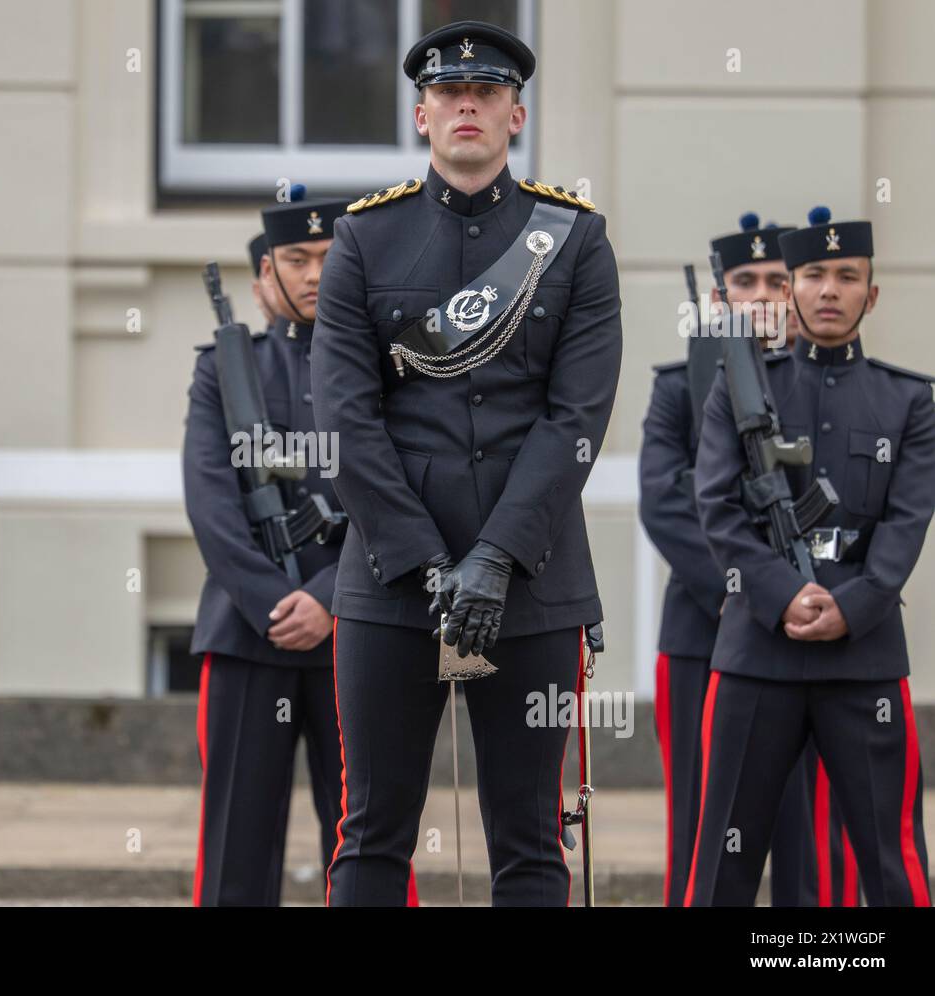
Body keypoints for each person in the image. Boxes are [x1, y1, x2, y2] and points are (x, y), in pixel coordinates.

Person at [311, 20, 622, 906]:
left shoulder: (575, 239)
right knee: (372, 835)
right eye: (450, 95)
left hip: (533, 576)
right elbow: (345, 418)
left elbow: (576, 418)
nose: (468, 107)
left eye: (486, 94)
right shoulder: (366, 240)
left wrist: (493, 558)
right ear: (422, 115)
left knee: (528, 841)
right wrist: (428, 559)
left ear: (515, 113)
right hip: (389, 577)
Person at [689, 207, 933, 906]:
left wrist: (851, 605)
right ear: (791, 288)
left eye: (848, 276)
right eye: (815, 275)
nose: (830, 290)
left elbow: (906, 522)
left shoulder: (908, 401)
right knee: (722, 865)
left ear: (872, 294)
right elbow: (717, 506)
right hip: (756, 653)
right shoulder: (741, 388)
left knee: (892, 860)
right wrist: (781, 594)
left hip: (864, 658)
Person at [641, 212, 857, 905]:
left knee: (811, 839)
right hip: (706, 635)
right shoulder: (679, 388)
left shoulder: (834, 388)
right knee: (703, 831)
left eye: (776, 280)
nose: (762, 295)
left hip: (813, 637)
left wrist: (804, 603)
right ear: (717, 298)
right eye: (745, 281)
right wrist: (757, 595)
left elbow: (854, 507)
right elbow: (667, 506)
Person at [182, 194, 351, 906]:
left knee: (366, 837)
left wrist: (330, 597)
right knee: (236, 844)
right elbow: (210, 501)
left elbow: (411, 502)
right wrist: (273, 601)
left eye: (329, 259)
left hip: (358, 631)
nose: (314, 274)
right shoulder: (225, 369)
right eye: (295, 260)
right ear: (261, 280)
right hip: (252, 632)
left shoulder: (391, 372)